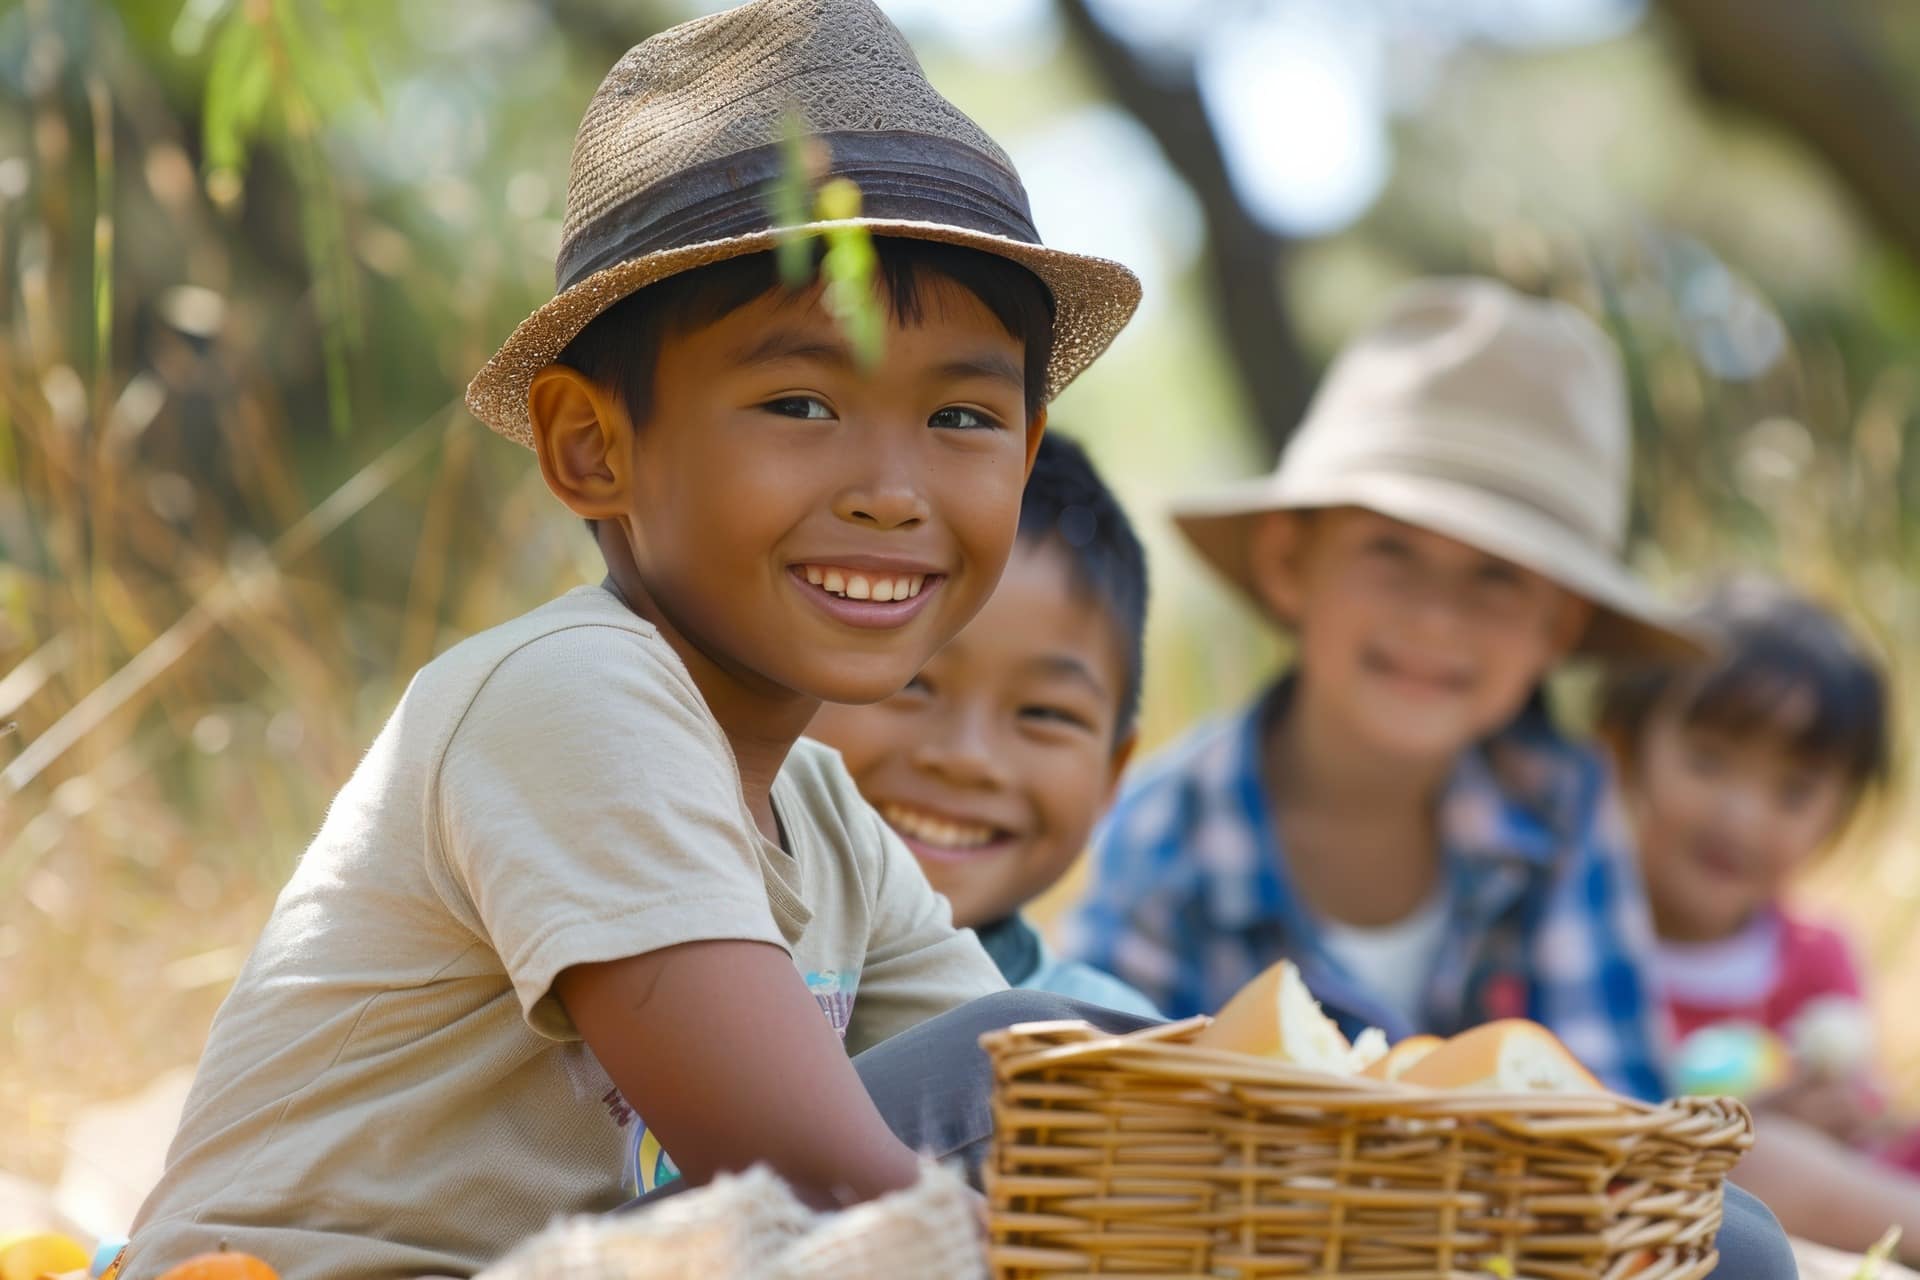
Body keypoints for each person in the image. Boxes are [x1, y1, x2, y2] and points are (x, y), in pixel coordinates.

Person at [122, 2, 1148, 1275]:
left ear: (1027, 454)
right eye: (800, 400)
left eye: (961, 417)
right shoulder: (570, 696)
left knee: (1074, 1078)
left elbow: (1050, 1092)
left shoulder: (824, 815)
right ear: (590, 446)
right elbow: (830, 1179)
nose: (895, 488)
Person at [1065, 277, 1690, 1100]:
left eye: (1497, 577)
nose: (1436, 620)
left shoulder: (1564, 807)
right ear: (1291, 563)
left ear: (1558, 629)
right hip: (1236, 1220)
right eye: (1391, 551)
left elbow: (1619, 1113)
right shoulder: (1166, 829)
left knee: (1748, 1221)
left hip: (1517, 1227)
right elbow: (1102, 1106)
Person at [1600, 575, 1920, 1263]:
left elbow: (1858, 1130)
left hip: (1831, 1214)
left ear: (1836, 812)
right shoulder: (1583, 940)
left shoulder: (1817, 957)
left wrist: (1842, 1113)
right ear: (1624, 747)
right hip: (1669, 1210)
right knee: (1760, 1163)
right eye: (1708, 761)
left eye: (1793, 792)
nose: (1741, 816)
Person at [810, 432, 1160, 1017]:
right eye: (910, 681)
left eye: (1045, 713)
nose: (967, 757)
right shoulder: (669, 968)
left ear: (1113, 774)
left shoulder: (1120, 1054)